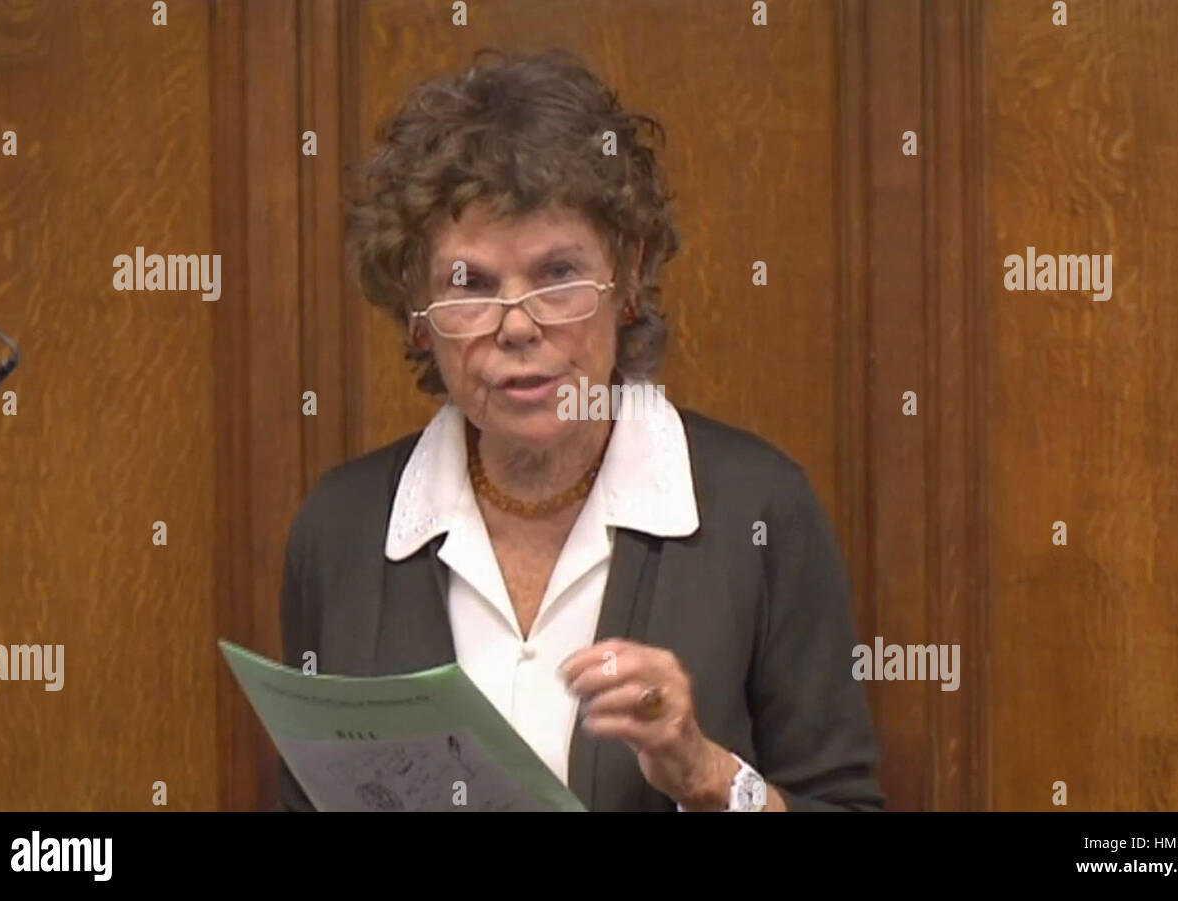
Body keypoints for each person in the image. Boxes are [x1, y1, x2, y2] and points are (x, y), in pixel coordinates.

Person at [277, 47, 884, 812]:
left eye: (559, 274)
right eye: (472, 285)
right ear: (417, 311)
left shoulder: (760, 511)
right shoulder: (341, 529)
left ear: (626, 277)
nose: (518, 325)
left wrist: (704, 773)